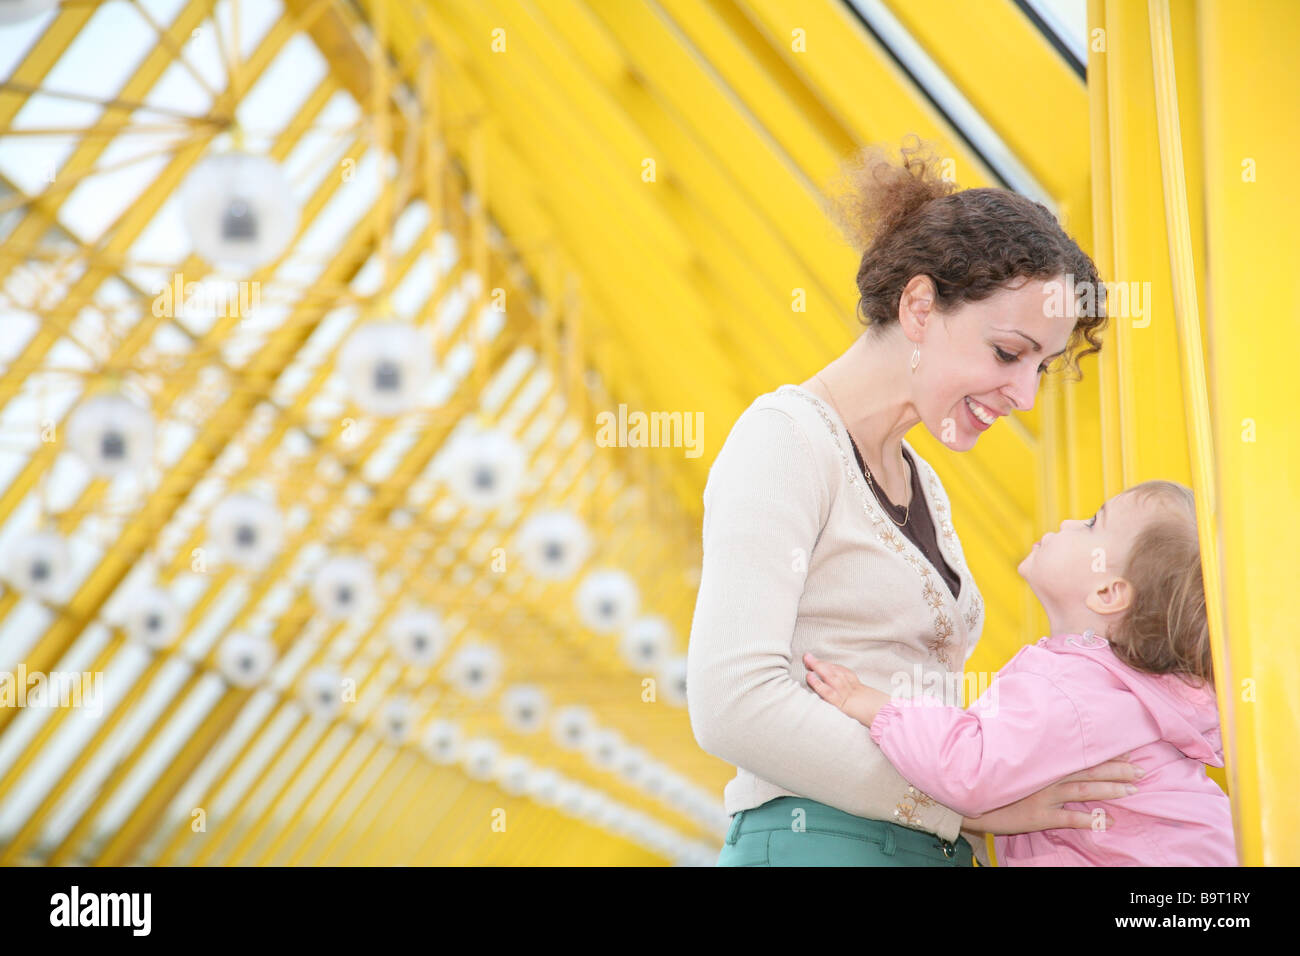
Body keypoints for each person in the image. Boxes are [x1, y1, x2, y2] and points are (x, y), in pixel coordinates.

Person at [687, 137, 1139, 867]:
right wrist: (960, 798)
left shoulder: (921, 480)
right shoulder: (784, 442)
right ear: (920, 306)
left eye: (1042, 368)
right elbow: (731, 702)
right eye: (1007, 353)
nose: (1024, 396)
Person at [806, 480, 1237, 866]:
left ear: (1108, 593)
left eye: (1091, 524)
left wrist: (873, 704)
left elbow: (968, 769)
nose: (1069, 521)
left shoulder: (1073, 691)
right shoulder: (1111, 690)